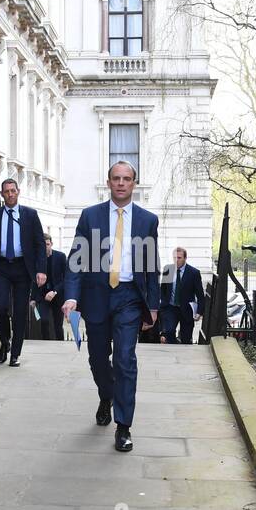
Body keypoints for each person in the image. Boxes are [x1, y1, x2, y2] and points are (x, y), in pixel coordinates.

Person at [61, 160, 161, 452]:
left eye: (126, 179)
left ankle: (124, 425)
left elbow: (151, 266)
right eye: (116, 178)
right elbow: (76, 260)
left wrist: (152, 305)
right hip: (96, 297)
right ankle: (106, 395)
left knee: (125, 359)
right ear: (108, 183)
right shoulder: (90, 216)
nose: (121, 183)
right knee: (97, 358)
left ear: (134, 183)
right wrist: (71, 296)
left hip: (129, 297)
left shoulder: (147, 220)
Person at [0, 178, 46, 367]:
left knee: (20, 312)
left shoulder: (30, 215)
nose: (10, 194)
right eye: (6, 191)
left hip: (23, 268)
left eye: (13, 190)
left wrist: (41, 270)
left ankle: (15, 353)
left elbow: (40, 244)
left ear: (18, 192)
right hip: (1, 267)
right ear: (1, 194)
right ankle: (5, 341)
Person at [158, 247, 204, 344]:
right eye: (174, 257)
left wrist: (199, 312)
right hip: (171, 308)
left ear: (185, 258)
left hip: (186, 309)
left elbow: (200, 294)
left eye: (179, 258)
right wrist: (163, 304)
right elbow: (163, 289)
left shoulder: (194, 273)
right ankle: (174, 348)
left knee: (186, 338)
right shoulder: (168, 269)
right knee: (169, 331)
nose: (176, 260)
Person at [38, 233, 68, 341]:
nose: (45, 247)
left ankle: (61, 344)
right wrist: (33, 299)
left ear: (51, 244)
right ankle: (45, 343)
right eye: (43, 245)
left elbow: (66, 278)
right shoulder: (38, 259)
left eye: (47, 244)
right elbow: (34, 278)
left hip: (57, 295)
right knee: (43, 320)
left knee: (58, 325)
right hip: (43, 295)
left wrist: (54, 291)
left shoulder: (61, 256)